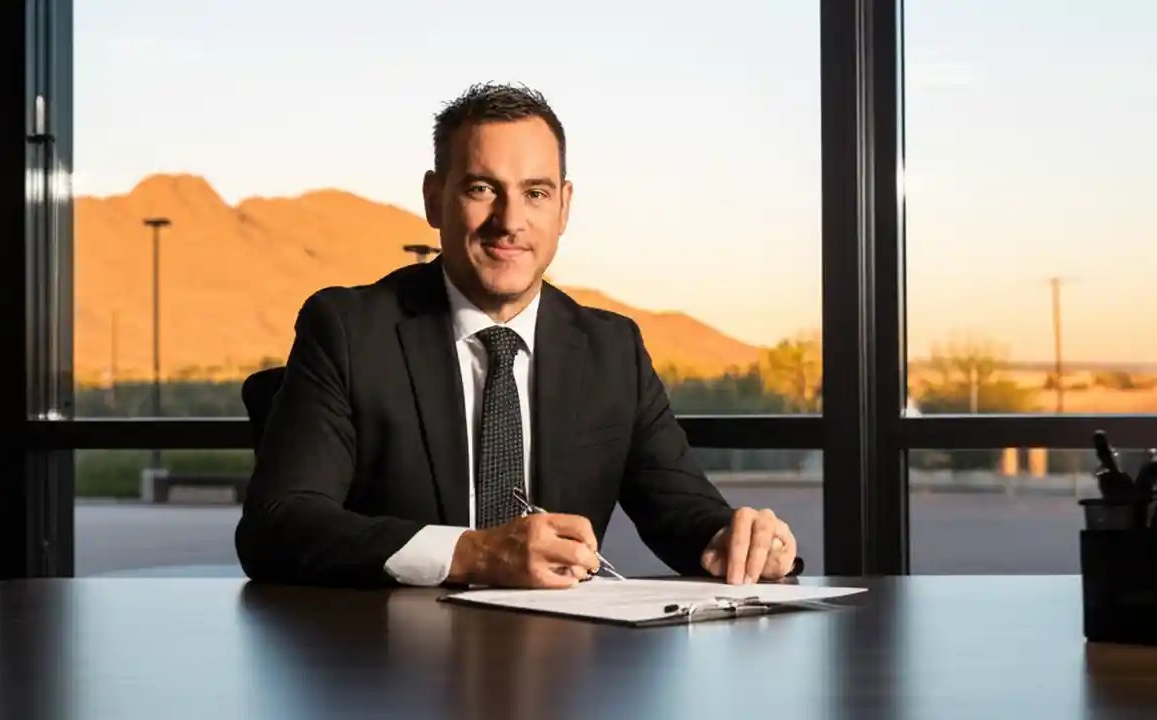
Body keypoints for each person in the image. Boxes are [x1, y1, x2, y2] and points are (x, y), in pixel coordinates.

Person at [235, 82, 799, 589]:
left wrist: (737, 540)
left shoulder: (612, 351)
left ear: (564, 207)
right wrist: (473, 553)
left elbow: (683, 514)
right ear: (434, 199)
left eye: (535, 193)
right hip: (390, 657)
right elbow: (278, 524)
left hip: (561, 661)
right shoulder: (348, 330)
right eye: (482, 188)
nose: (510, 221)